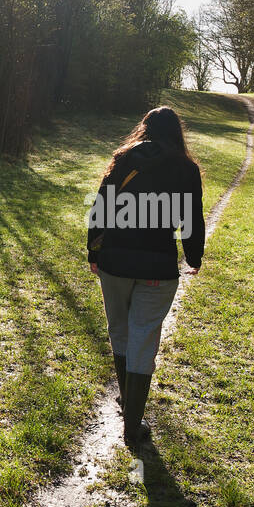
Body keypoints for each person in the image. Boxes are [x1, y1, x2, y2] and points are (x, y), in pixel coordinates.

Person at [87, 106, 205, 448]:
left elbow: (102, 208)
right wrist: (193, 257)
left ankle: (129, 407)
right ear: (176, 133)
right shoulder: (186, 169)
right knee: (143, 336)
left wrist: (94, 252)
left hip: (115, 263)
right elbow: (192, 220)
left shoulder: (123, 160)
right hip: (158, 268)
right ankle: (132, 425)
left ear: (145, 129)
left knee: (120, 331)